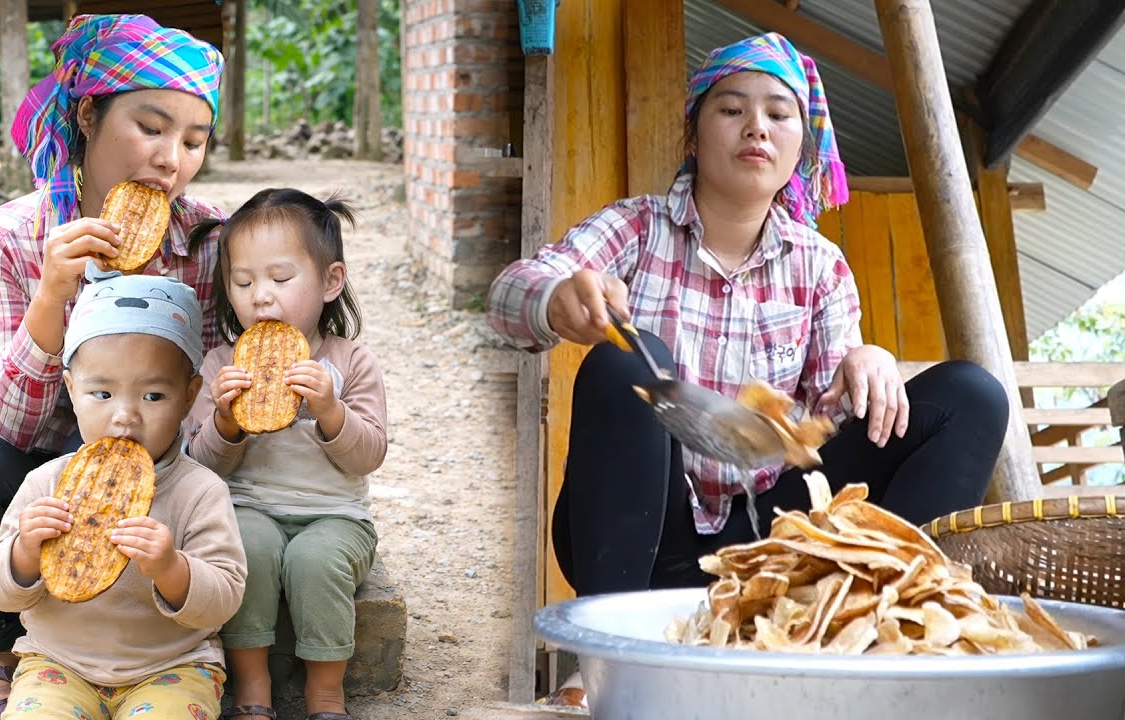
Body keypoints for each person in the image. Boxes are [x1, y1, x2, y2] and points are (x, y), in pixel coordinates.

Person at [487, 31, 1009, 705]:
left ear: (800, 148)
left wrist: (867, 362)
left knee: (973, 394)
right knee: (628, 360)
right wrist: (556, 297)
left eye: (778, 113)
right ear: (695, 133)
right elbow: (510, 292)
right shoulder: (635, 230)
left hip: (776, 540)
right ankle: (608, 669)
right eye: (731, 109)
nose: (755, 126)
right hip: (643, 538)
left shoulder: (819, 266)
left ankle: (870, 639)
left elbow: (834, 416)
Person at [0, 14, 227, 719]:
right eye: (150, 127)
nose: (170, 159)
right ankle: (3, 651)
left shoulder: (206, 240)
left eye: (192, 140)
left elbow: (205, 404)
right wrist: (54, 295)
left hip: (167, 455)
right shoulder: (7, 238)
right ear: (88, 113)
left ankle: (176, 647)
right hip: (45, 458)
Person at [0, 269, 246, 720]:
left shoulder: (200, 490)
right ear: (71, 391)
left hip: (171, 667)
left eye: (154, 395)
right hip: (56, 665)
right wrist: (25, 552)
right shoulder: (47, 483)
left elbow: (225, 596)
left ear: (189, 396)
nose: (125, 417)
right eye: (101, 393)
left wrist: (171, 568)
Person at [185, 189, 388, 720]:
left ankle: (325, 692)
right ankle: (254, 687)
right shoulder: (220, 365)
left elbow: (368, 455)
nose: (260, 297)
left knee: (314, 561)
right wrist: (226, 422)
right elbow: (201, 468)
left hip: (336, 515)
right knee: (245, 548)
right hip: (249, 507)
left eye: (280, 279)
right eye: (243, 281)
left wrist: (330, 410)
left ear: (330, 281)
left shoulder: (352, 362)